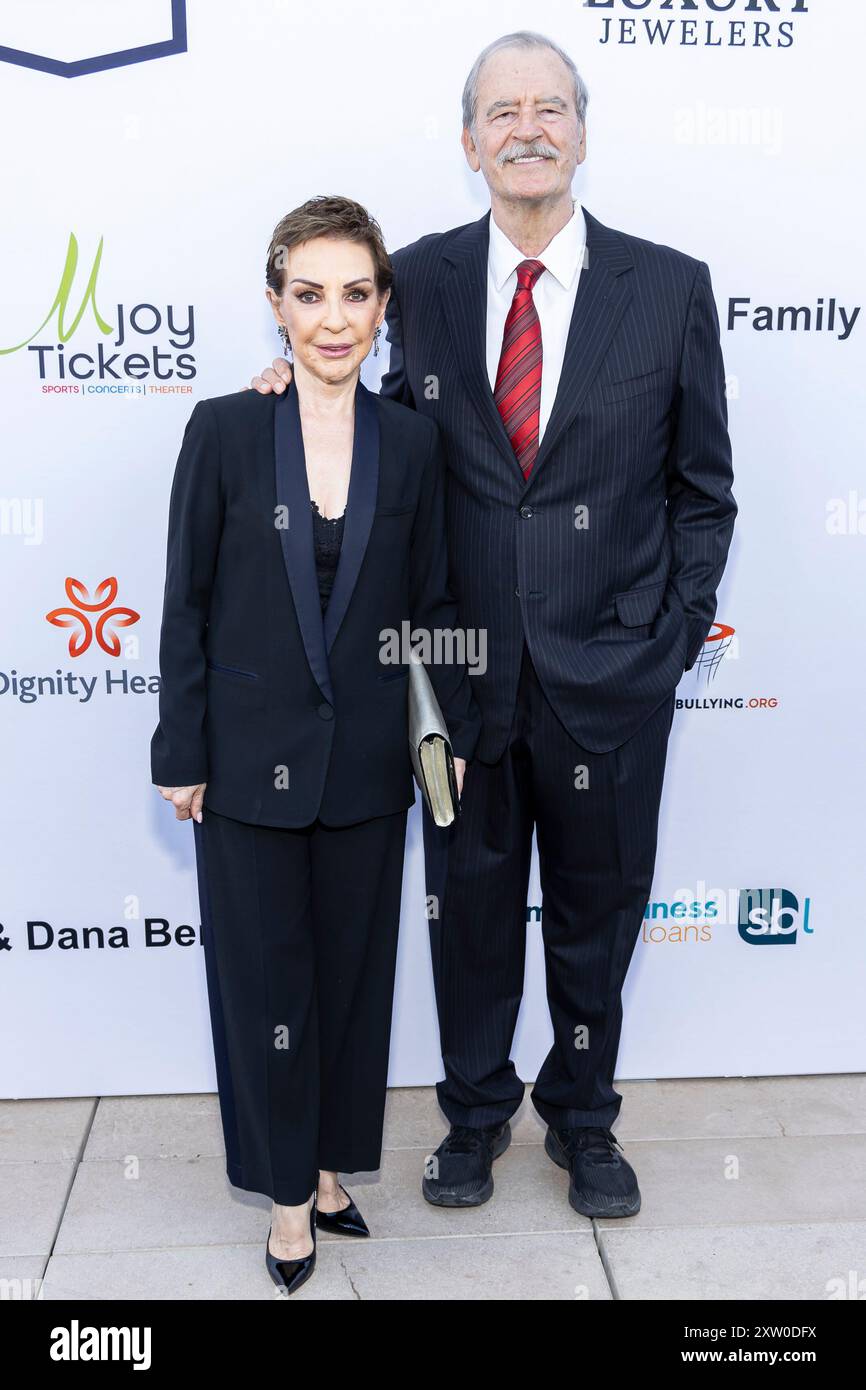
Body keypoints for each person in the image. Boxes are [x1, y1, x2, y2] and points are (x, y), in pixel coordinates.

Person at [249, 31, 737, 1222]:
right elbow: (342, 374)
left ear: (580, 129)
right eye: (501, 110)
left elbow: (702, 490)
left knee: (595, 907)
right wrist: (290, 385)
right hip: (447, 679)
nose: (527, 126)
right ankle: (472, 1118)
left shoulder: (667, 285)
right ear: (468, 141)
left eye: (549, 106)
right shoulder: (410, 279)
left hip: (610, 670)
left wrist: (666, 635)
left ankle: (583, 1117)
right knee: (465, 908)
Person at [152, 195, 480, 1294]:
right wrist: (178, 748)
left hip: (367, 768)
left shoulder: (414, 442)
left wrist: (454, 735)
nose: (331, 319)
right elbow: (186, 602)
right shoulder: (227, 429)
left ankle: (333, 1171)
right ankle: (288, 1199)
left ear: (382, 307)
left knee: (348, 983)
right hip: (244, 760)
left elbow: (432, 599)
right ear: (275, 303)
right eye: (308, 294)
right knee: (264, 985)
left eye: (354, 295)